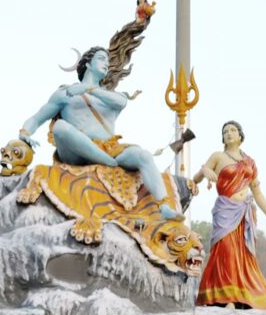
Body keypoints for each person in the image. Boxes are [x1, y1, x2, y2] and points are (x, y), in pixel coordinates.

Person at [19, 46, 180, 220]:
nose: (106, 64)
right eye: (101, 58)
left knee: (143, 155)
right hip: (76, 151)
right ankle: (108, 162)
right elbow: (36, 119)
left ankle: (163, 205)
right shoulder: (64, 94)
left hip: (109, 149)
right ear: (88, 64)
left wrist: (89, 90)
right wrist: (25, 132)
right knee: (60, 127)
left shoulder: (110, 96)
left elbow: (121, 102)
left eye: (108, 61)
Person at [193, 121, 266, 309]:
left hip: (245, 212)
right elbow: (196, 178)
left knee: (243, 255)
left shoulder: (249, 162)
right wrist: (205, 170)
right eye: (225, 131)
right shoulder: (218, 156)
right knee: (226, 251)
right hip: (226, 210)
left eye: (233, 130)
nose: (229, 133)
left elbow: (257, 192)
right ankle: (226, 298)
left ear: (240, 135)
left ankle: (243, 299)